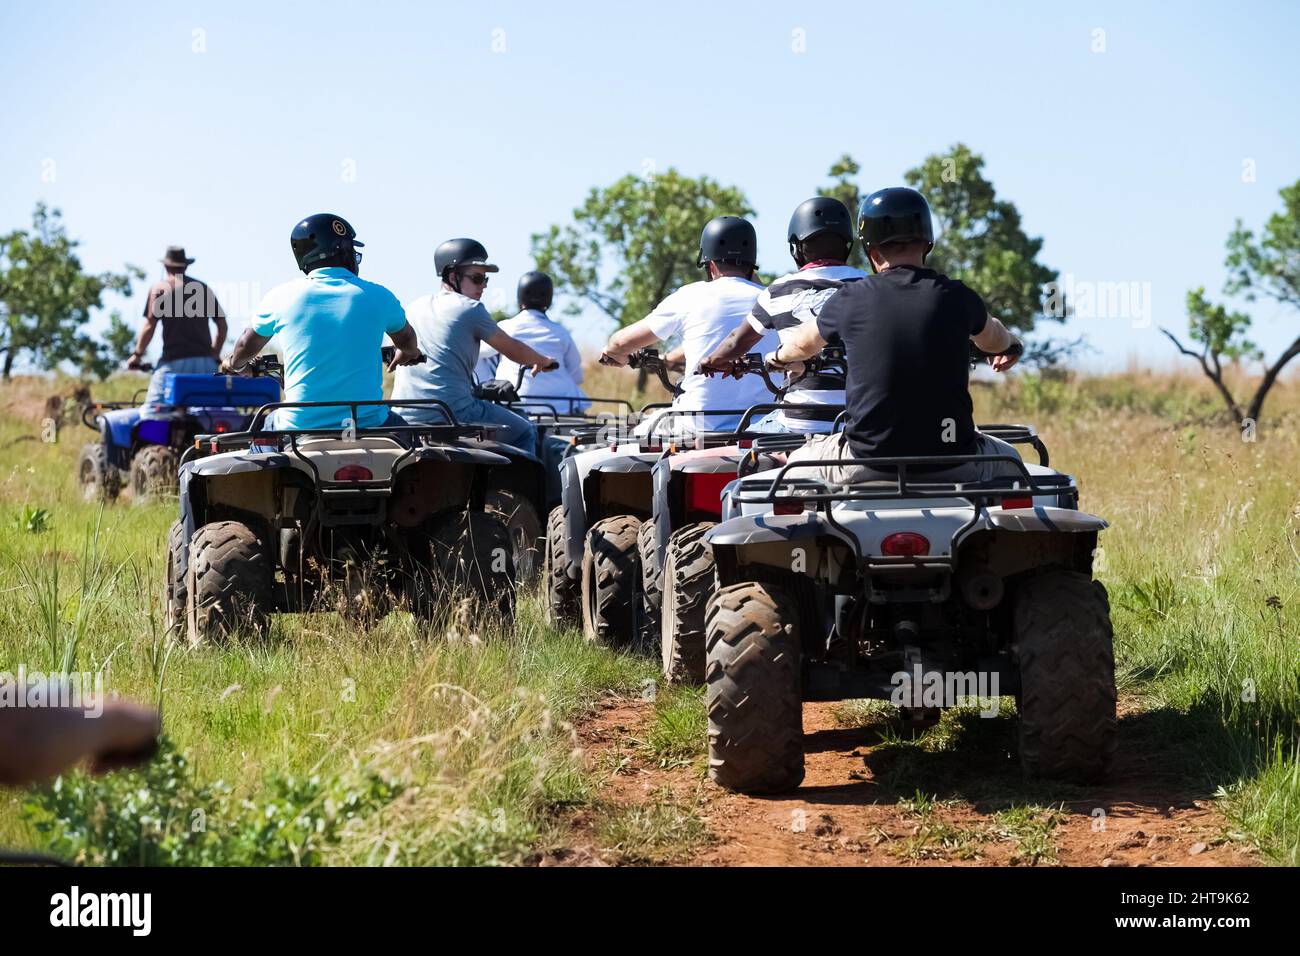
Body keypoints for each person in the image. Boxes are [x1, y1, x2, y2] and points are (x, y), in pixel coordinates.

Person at [772, 187, 1024, 484]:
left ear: (872, 251)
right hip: (954, 459)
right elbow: (995, 338)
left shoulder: (851, 298)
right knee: (1014, 462)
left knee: (793, 467)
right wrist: (1011, 345)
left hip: (864, 461)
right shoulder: (957, 297)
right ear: (926, 244)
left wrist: (777, 358)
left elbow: (802, 344)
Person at [221, 213, 423, 430]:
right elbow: (407, 338)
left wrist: (233, 364)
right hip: (368, 424)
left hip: (298, 429)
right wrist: (408, 352)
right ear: (345, 253)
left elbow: (244, 345)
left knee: (260, 444)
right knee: (413, 442)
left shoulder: (281, 296)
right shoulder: (379, 295)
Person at [699, 197, 867, 432]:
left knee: (742, 438)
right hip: (856, 421)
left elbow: (738, 341)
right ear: (847, 244)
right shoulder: (870, 286)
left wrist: (712, 360)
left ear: (796, 248)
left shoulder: (779, 291)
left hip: (799, 422)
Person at [599, 216, 778, 435]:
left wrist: (616, 353)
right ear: (753, 263)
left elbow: (620, 342)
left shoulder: (691, 295)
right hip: (764, 428)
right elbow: (726, 338)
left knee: (626, 432)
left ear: (709, 264)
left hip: (697, 428)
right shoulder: (773, 300)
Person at [391, 238, 558, 451]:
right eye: (477, 278)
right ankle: (517, 485)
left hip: (405, 413)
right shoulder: (470, 308)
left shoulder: (414, 306)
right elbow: (511, 348)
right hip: (455, 413)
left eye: (485, 280)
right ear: (453, 276)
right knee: (525, 430)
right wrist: (542, 360)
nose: (483, 286)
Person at [128, 246, 227, 415]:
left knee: (152, 413)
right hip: (205, 364)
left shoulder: (160, 289)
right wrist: (214, 353)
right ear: (186, 266)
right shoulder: (202, 288)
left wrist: (136, 355)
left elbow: (150, 326)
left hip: (173, 364)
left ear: (166, 267)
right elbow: (222, 325)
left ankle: (157, 441)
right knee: (209, 412)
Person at [476, 270, 590, 412]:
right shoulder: (561, 333)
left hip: (515, 404)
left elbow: (477, 354)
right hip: (562, 407)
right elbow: (577, 376)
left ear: (520, 297)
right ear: (549, 298)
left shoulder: (507, 327)